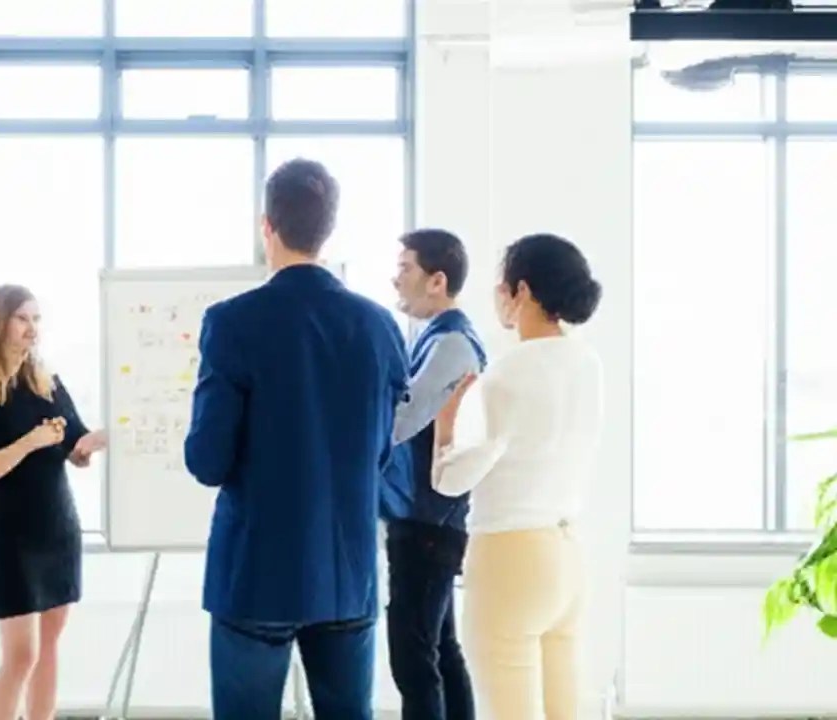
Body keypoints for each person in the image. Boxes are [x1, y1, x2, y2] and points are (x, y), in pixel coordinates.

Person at [184, 158, 410, 719]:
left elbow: (208, 460)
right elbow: (383, 450)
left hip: (255, 572)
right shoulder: (379, 325)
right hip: (346, 569)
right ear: (327, 229)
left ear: (268, 226)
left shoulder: (232, 322)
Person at [431, 233, 603, 720]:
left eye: (500, 286)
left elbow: (450, 480)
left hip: (510, 559)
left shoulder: (505, 372)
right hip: (567, 554)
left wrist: (445, 424)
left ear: (522, 292)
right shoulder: (587, 363)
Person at [0, 284, 106, 720]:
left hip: (56, 527)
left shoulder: (47, 382)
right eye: (23, 318)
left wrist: (115, 434)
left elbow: (76, 444)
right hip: (8, 539)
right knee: (21, 655)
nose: (31, 328)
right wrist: (31, 442)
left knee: (50, 646)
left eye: (36, 319)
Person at [383, 229, 486, 720]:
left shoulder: (452, 344)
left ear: (437, 280)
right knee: (439, 651)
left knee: (414, 657)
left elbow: (402, 421)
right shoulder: (437, 339)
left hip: (429, 522)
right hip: (425, 519)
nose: (395, 279)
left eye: (405, 269)